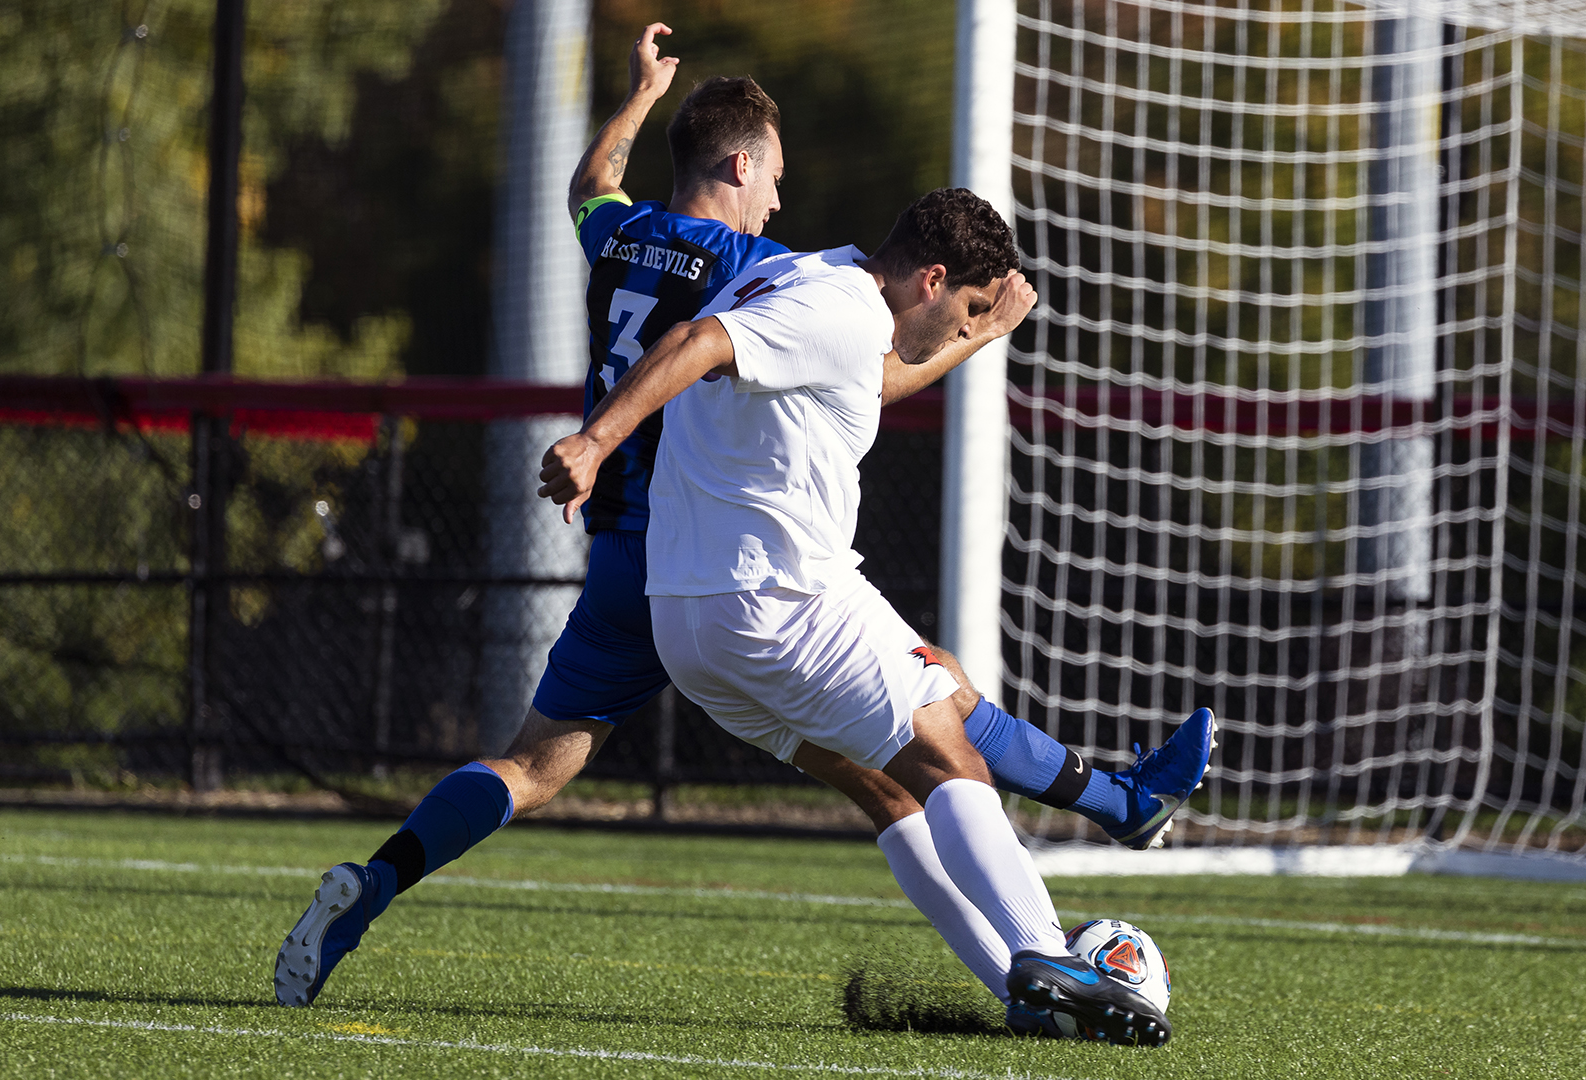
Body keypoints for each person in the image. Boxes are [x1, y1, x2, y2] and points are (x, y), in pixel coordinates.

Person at [274, 24, 1212, 1021]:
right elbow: (825, 356)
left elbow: (589, 184)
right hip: (696, 543)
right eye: (771, 178)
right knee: (942, 712)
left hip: (634, 569)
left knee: (537, 764)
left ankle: (376, 883)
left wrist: (640, 96)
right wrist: (975, 337)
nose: (779, 200)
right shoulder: (750, 261)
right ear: (737, 165)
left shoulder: (620, 237)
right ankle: (1106, 832)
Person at [536, 186, 1204, 1045]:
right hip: (777, 599)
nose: (963, 323)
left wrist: (981, 334)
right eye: (964, 306)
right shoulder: (838, 306)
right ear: (930, 278)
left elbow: (872, 377)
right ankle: (1046, 952)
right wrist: (596, 440)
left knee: (898, 777)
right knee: (944, 749)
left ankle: (1032, 965)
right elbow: (699, 341)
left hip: (692, 623)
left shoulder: (815, 283)